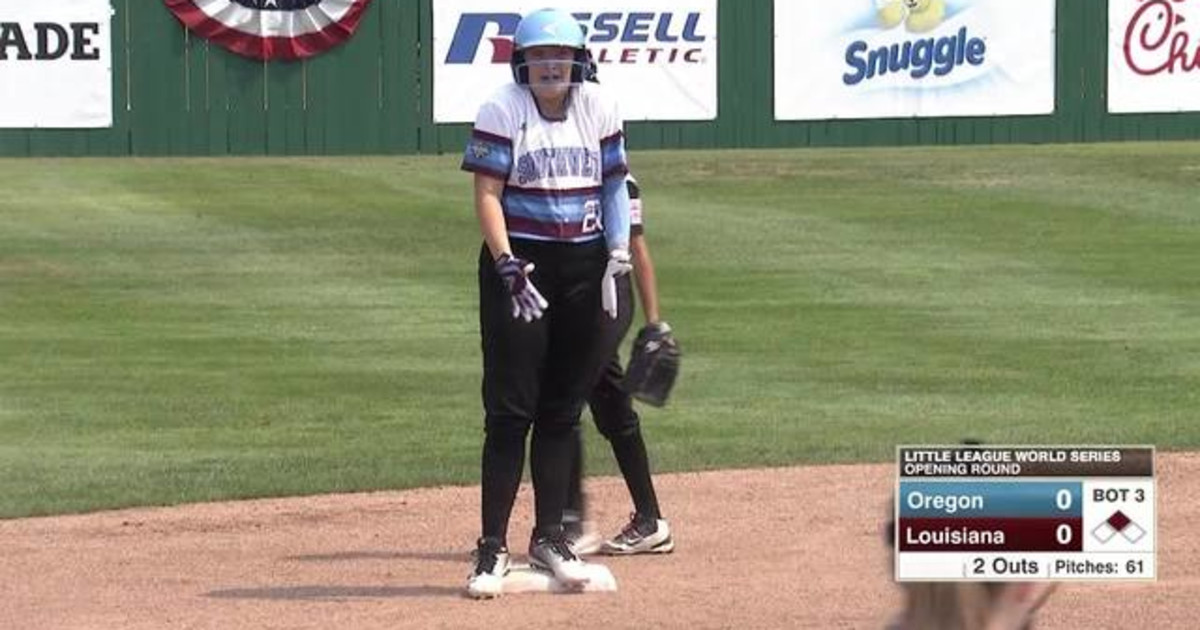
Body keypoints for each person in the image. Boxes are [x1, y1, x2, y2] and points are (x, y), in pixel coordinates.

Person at [459, 7, 633, 599]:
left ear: (580, 60)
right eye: (539, 56)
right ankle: (491, 547)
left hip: (584, 265)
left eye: (561, 54)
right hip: (522, 268)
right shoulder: (501, 108)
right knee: (510, 411)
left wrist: (618, 252)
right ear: (522, 62)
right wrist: (505, 262)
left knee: (562, 409)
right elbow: (487, 193)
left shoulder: (600, 106)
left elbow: (613, 183)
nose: (551, 65)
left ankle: (551, 536)